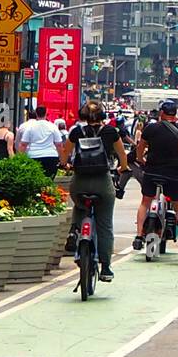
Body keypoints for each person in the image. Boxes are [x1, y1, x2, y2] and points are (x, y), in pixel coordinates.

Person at [59, 99, 129, 283]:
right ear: (103, 115)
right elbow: (122, 154)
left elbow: (65, 154)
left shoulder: (76, 131)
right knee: (105, 225)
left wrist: (66, 164)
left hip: (80, 182)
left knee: (79, 206)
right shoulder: (111, 132)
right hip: (102, 183)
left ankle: (75, 232)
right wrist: (123, 168)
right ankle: (105, 267)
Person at [133, 101, 178, 250]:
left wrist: (141, 159)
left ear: (162, 113)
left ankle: (138, 235)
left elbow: (140, 147)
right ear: (175, 114)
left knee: (145, 202)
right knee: (177, 205)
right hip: (173, 172)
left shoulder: (151, 128)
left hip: (152, 171)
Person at [16, 105, 64, 177]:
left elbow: (23, 145)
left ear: (36, 114)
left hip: (34, 156)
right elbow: (59, 144)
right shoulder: (52, 126)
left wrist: (19, 159)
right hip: (51, 156)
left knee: (36, 180)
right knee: (49, 180)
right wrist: (62, 158)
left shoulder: (30, 127)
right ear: (46, 113)